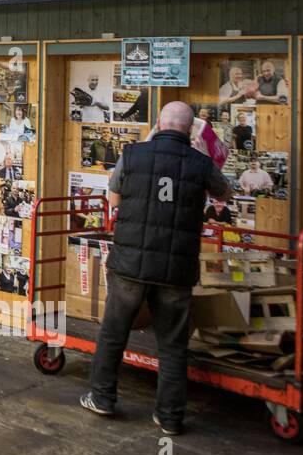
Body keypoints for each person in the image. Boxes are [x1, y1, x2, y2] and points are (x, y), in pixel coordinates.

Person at [81, 101, 231, 436]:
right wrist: (201, 156)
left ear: (159, 123)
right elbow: (226, 193)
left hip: (130, 265)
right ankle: (170, 417)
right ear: (191, 129)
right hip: (176, 270)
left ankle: (102, 397)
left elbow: (114, 197)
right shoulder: (201, 163)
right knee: (173, 344)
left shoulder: (133, 154)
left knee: (113, 332)